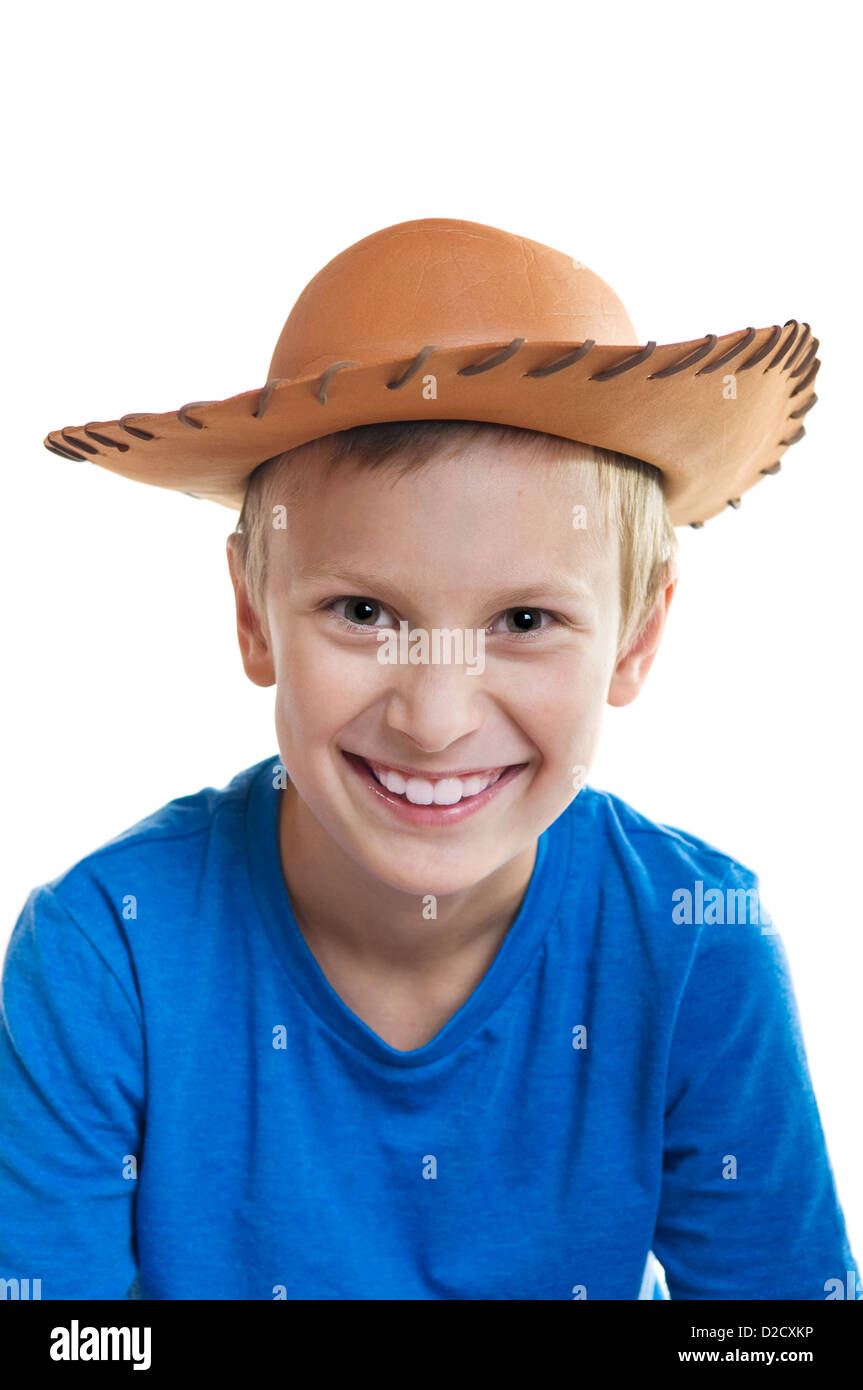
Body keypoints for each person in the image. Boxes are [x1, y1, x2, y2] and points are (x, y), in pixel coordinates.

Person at [1, 217, 855, 1300]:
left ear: (635, 639)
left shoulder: (695, 947)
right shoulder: (103, 954)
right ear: (253, 616)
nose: (437, 715)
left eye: (525, 619)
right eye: (363, 610)